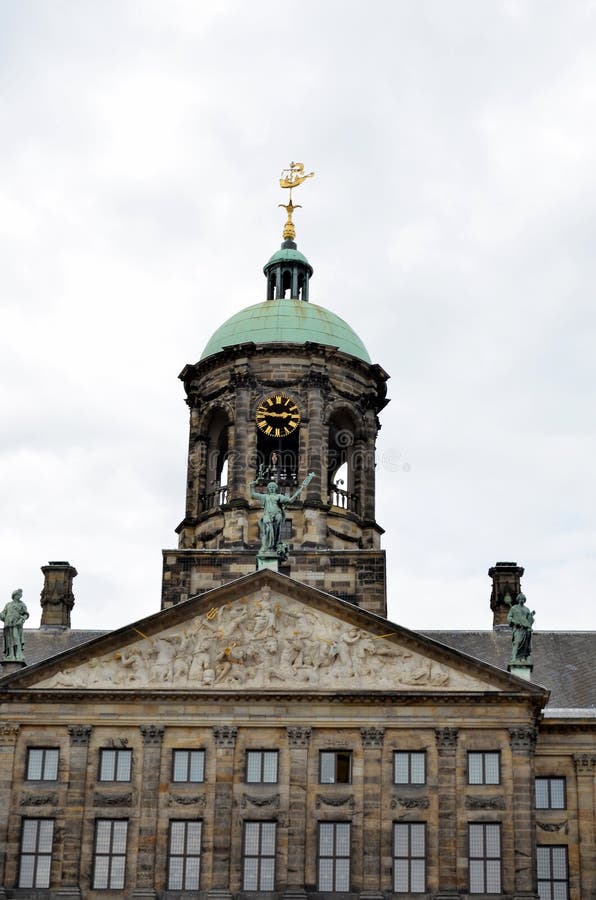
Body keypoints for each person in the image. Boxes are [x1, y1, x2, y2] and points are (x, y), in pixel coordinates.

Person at [249, 472, 315, 554]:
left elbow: (290, 500)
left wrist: (298, 493)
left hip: (277, 515)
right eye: (270, 487)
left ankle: (273, 547)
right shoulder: (264, 496)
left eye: (273, 487)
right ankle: (268, 547)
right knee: (268, 530)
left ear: (276, 488)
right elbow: (252, 494)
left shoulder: (279, 496)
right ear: (268, 488)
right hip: (268, 515)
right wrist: (251, 485)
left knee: (276, 532)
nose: (272, 488)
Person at [0, 589, 29, 662]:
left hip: (16, 625)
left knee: (16, 639)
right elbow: (3, 613)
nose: (19, 596)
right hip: (8, 625)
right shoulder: (8, 604)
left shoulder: (22, 604)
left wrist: (22, 619)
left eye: (19, 595)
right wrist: (3, 616)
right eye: (17, 595)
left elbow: (26, 614)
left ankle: (18, 655)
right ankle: (10, 655)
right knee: (9, 641)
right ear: (14, 596)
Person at [507, 592, 535, 663]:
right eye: (520, 599)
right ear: (518, 600)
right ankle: (514, 658)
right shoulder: (514, 608)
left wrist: (531, 615)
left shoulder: (527, 609)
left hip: (525, 629)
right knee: (517, 642)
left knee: (525, 645)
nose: (522, 600)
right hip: (518, 629)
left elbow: (529, 620)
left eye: (523, 599)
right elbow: (509, 617)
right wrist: (514, 621)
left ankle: (523, 657)